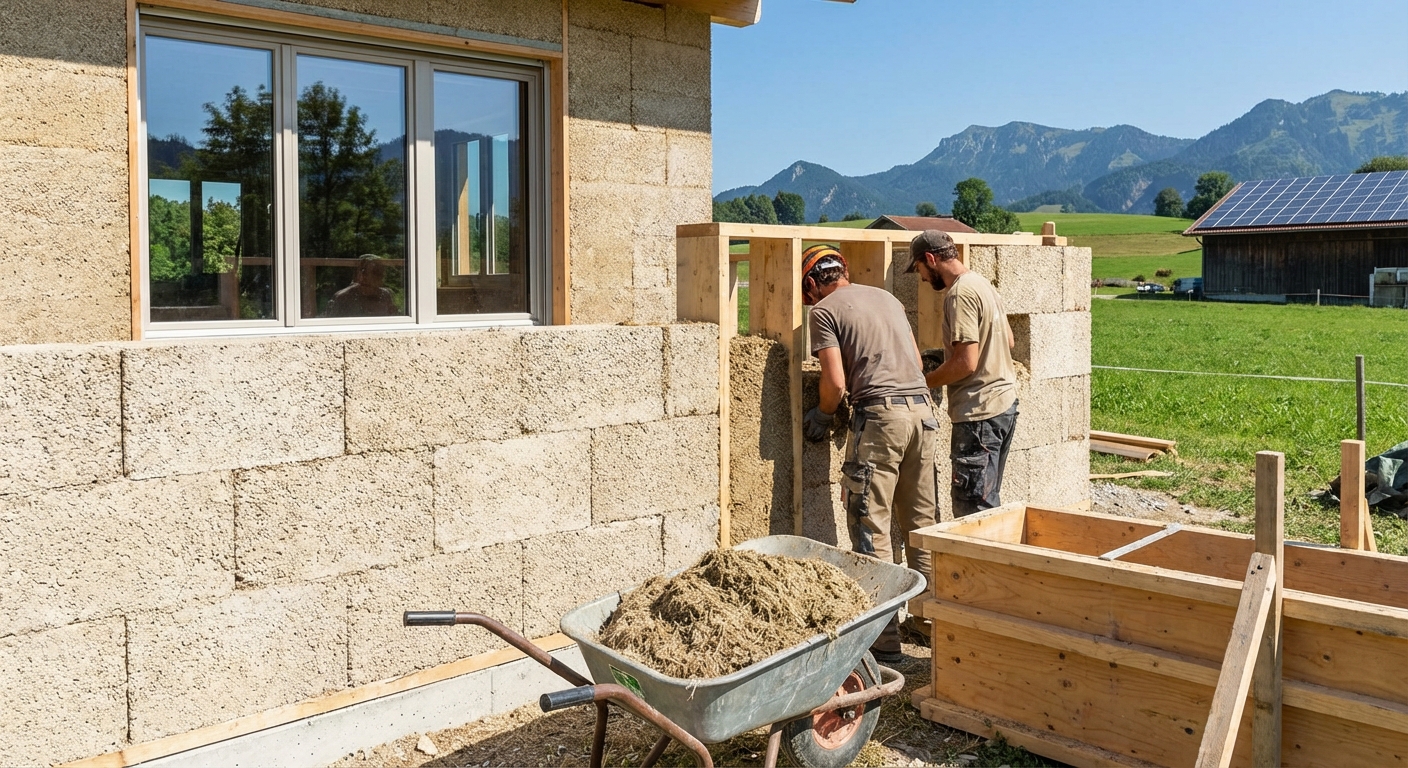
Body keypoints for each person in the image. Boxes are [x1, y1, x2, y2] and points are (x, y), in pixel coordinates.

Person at [800, 244, 937, 662]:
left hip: (881, 420)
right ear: (843, 270)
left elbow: (836, 383)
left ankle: (884, 640)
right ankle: (930, 624)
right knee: (921, 524)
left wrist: (822, 417)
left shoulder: (823, 312)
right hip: (924, 415)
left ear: (811, 283)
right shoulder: (888, 298)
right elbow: (915, 361)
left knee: (869, 525)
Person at [907, 230, 1019, 519]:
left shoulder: (959, 294)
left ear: (930, 259)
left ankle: (981, 564)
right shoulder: (982, 284)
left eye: (919, 267)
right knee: (987, 498)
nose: (920, 276)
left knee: (973, 509)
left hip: (979, 413)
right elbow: (1007, 341)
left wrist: (923, 383)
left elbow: (966, 363)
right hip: (1004, 405)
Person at [326, 254, 399, 317]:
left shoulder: (386, 296)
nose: (364, 278)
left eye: (374, 273)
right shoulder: (343, 297)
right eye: (363, 273)